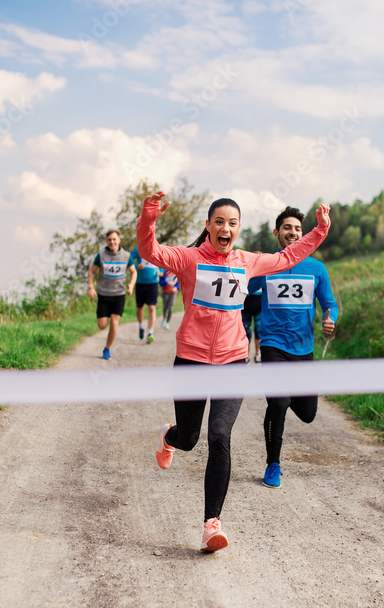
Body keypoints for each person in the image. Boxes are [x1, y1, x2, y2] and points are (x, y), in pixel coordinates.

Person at [138, 191, 330, 552]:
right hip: (192, 361)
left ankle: (212, 524)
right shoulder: (188, 258)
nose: (225, 228)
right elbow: (150, 251)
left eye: (232, 223)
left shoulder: (247, 261)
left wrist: (319, 231)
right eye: (219, 221)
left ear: (238, 229)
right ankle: (170, 437)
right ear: (209, 226)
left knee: (219, 435)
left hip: (232, 361)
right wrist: (148, 217)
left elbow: (289, 255)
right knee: (190, 438)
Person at [247, 206, 339, 488]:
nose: (293, 233)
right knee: (279, 402)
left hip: (303, 349)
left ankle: (283, 402)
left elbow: (330, 305)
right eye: (287, 228)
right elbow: (246, 289)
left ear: (305, 234)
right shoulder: (268, 263)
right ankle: (273, 464)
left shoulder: (316, 268)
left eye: (298, 229)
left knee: (308, 414)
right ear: (277, 233)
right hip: (273, 345)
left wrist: (329, 320)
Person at [86, 230, 136, 360]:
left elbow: (133, 272)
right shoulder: (101, 256)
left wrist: (131, 285)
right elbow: (91, 272)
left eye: (114, 239)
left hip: (119, 295)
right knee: (102, 325)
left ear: (119, 240)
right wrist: (91, 287)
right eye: (109, 240)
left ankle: (107, 349)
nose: (112, 242)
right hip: (103, 295)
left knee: (114, 323)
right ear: (106, 241)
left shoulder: (126, 256)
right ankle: (105, 323)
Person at [128, 245, 162, 344]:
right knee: (140, 308)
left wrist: (161, 271)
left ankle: (150, 333)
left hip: (153, 283)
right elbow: (129, 260)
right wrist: (136, 266)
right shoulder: (138, 248)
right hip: (140, 283)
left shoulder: (157, 248)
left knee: (152, 308)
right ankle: (141, 325)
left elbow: (163, 262)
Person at [241, 280, 262, 363]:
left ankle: (257, 353)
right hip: (245, 305)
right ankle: (246, 355)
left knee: (258, 331)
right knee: (246, 333)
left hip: (259, 304)